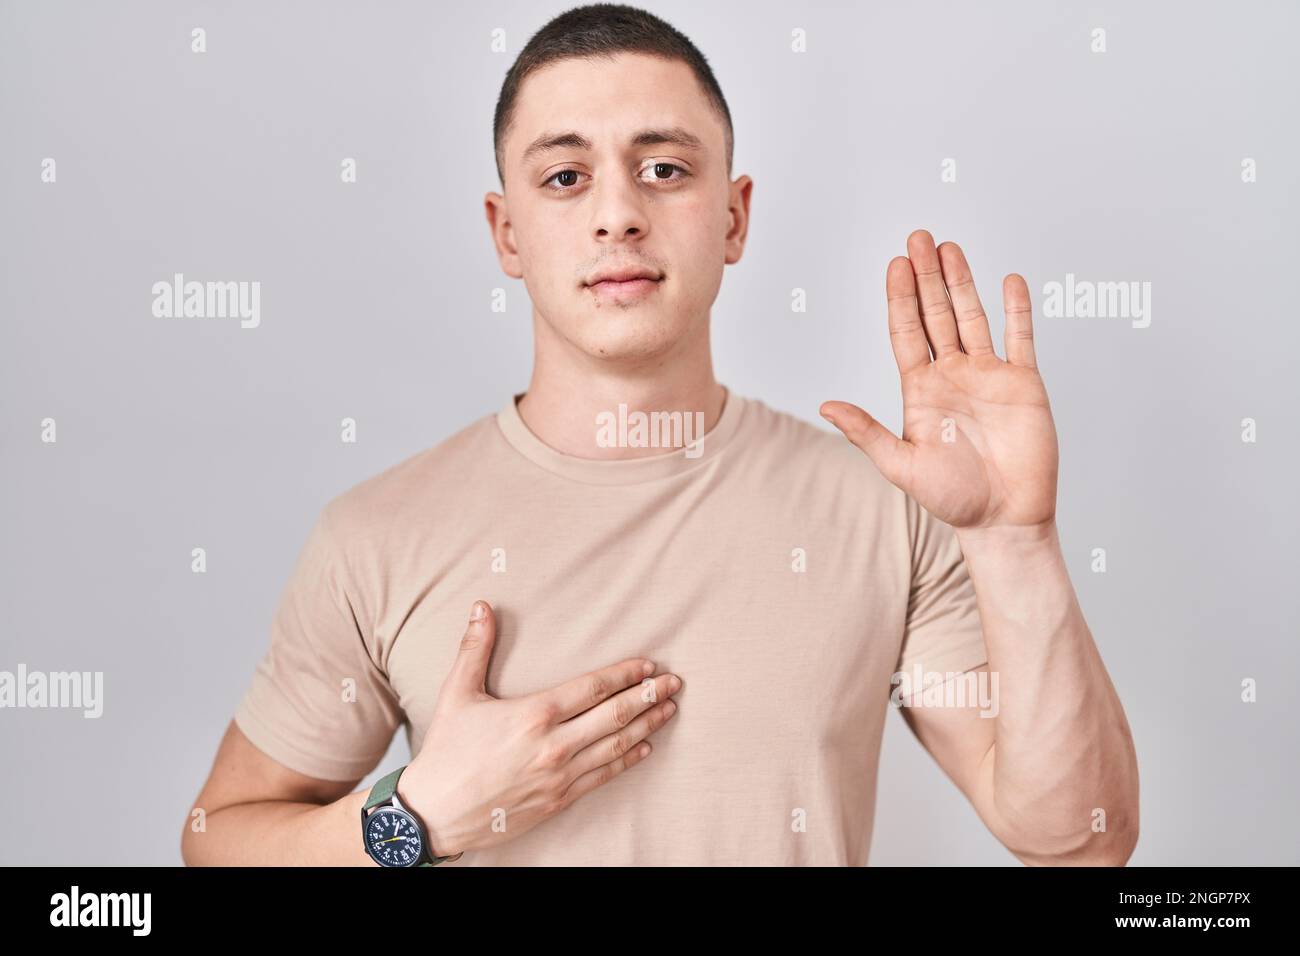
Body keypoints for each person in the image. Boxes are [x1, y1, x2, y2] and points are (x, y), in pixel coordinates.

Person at [181, 3, 1138, 866]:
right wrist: (418, 818)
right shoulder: (373, 536)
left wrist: (1018, 546)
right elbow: (216, 845)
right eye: (564, 176)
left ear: (733, 216)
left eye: (665, 169)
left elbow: (1078, 841)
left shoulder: (889, 510)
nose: (617, 215)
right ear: (506, 232)